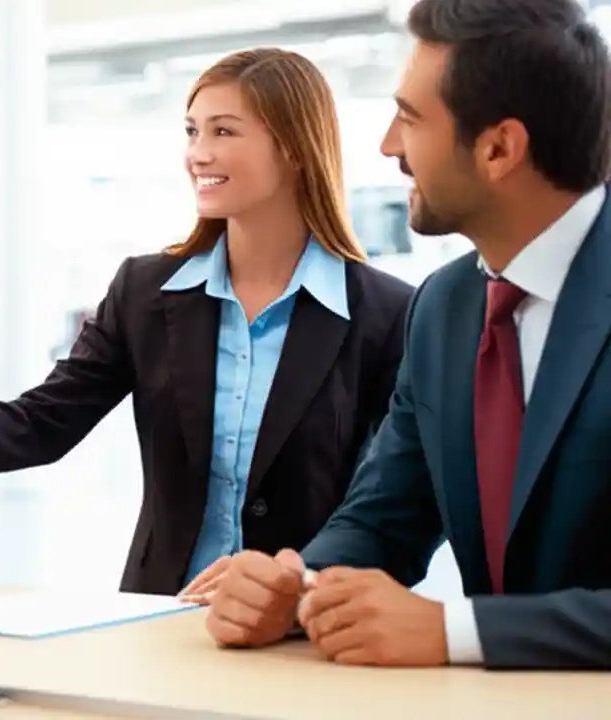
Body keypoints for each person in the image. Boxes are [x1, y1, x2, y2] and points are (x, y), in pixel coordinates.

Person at [0, 48, 413, 596]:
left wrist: (299, 582)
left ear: (294, 146)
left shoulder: (386, 314)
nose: (197, 153)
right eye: (192, 131)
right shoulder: (146, 293)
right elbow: (41, 423)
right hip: (161, 615)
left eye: (223, 132)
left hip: (310, 624)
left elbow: (393, 502)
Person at [204, 0, 611, 670]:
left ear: (498, 148)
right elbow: (383, 518)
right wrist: (297, 586)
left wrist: (457, 631)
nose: (389, 145)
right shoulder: (446, 308)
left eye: (411, 118)